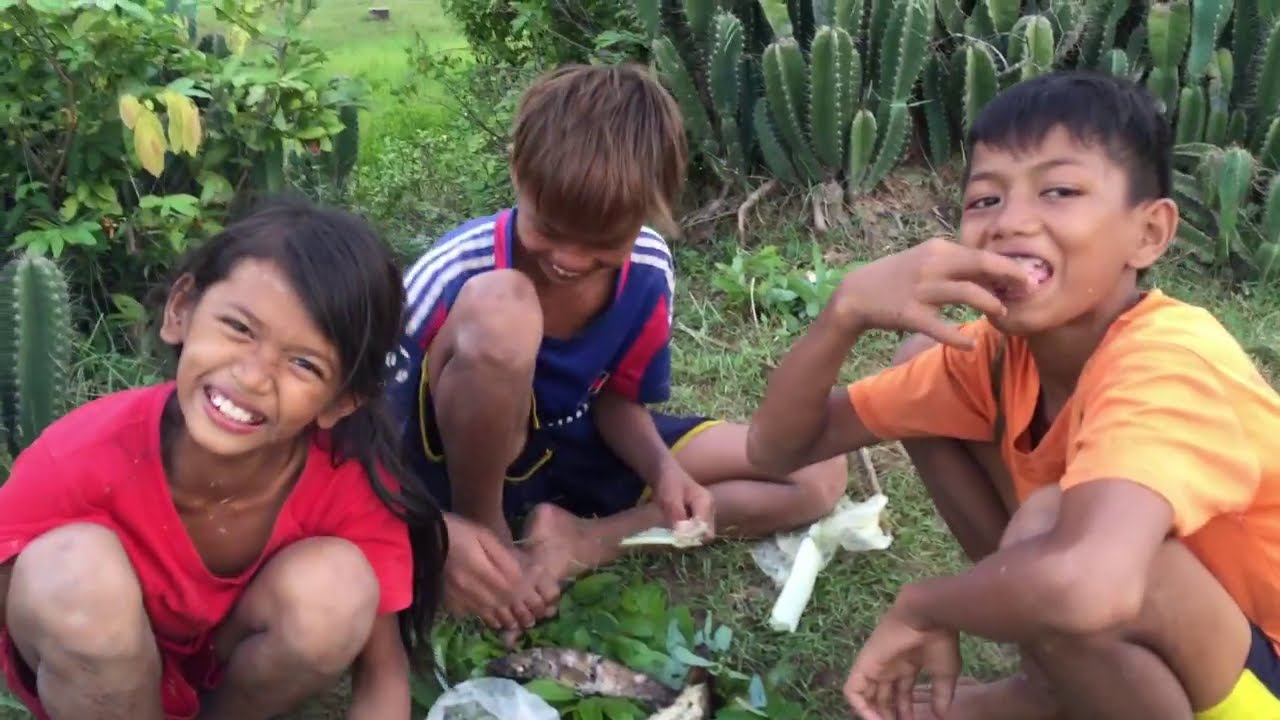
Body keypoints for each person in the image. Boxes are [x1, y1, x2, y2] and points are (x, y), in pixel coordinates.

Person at [745, 70, 1280, 720]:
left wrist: (928, 604)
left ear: (1149, 233)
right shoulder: (997, 355)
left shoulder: (1170, 361)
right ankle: (1056, 689)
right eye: (985, 201)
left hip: (1259, 669)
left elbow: (1093, 587)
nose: (1011, 222)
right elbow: (777, 449)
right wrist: (844, 311)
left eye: (1059, 191)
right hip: (1194, 645)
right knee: (930, 370)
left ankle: (1058, 692)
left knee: (1057, 535)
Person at [387, 62, 849, 634]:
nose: (572, 260)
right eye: (550, 229)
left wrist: (663, 469)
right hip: (459, 470)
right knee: (501, 312)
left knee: (820, 470)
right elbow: (368, 435)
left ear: (653, 211)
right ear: (517, 173)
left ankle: (584, 541)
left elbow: (616, 399)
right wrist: (438, 531)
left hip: (578, 451)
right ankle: (490, 546)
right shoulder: (455, 270)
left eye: (604, 243)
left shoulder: (649, 269)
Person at [0, 198, 448, 720]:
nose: (254, 377)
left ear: (341, 401)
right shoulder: (79, 456)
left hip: (226, 679)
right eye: (239, 328)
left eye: (304, 363)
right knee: (70, 576)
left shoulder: (351, 486)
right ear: (181, 310)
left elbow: (382, 675)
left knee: (338, 590)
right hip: (97, 684)